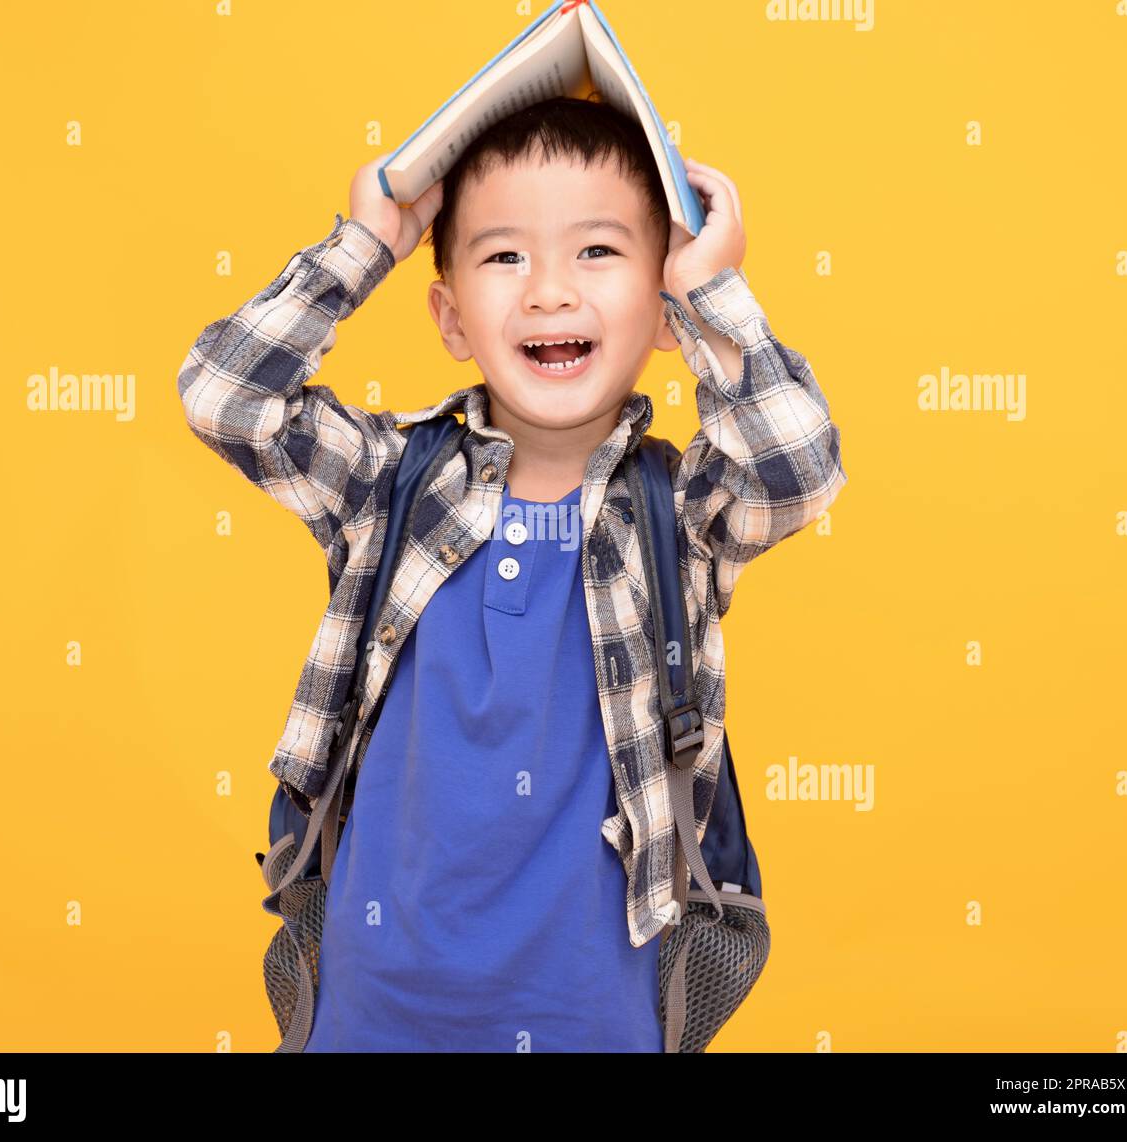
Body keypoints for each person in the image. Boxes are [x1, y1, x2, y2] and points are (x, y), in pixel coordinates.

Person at [176, 95, 848, 1051]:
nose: (548, 292)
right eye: (504, 257)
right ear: (450, 316)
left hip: (596, 1016)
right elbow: (225, 398)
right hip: (374, 1008)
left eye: (598, 252)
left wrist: (710, 288)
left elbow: (800, 465)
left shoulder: (683, 512)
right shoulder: (386, 484)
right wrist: (364, 246)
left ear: (661, 307)